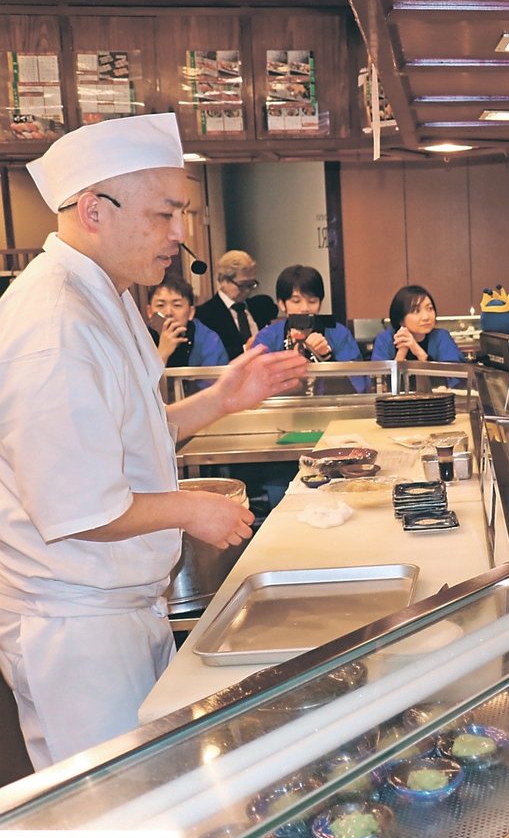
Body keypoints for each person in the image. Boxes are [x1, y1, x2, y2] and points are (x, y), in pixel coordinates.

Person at [0, 114, 308, 768]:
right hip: (77, 627)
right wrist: (192, 508)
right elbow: (79, 506)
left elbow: (124, 438)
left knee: (156, 787)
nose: (180, 234)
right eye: (165, 214)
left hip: (125, 606)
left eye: (183, 213)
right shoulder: (54, 325)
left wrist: (221, 399)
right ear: (94, 210)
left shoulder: (105, 297)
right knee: (112, 808)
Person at [254, 265, 365, 394]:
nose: (305, 308)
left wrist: (327, 357)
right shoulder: (268, 336)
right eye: (296, 301)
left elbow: (357, 388)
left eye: (312, 301)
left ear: (320, 303)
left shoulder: (338, 333)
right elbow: (256, 386)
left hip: (328, 405)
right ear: (281, 304)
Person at [194, 249, 277, 359]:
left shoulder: (259, 307)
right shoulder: (205, 315)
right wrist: (245, 349)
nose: (247, 290)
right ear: (222, 280)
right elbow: (209, 354)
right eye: (242, 285)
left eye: (251, 284)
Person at [145, 273, 229, 369]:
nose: (168, 312)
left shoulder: (209, 341)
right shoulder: (140, 339)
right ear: (149, 312)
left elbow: (214, 377)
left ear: (191, 313)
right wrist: (163, 353)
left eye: (177, 305)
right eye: (160, 305)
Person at [370, 284, 464, 363]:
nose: (426, 317)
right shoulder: (385, 339)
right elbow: (378, 377)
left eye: (430, 309)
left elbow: (455, 376)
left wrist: (418, 352)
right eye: (416, 311)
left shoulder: (441, 337)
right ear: (401, 319)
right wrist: (401, 353)